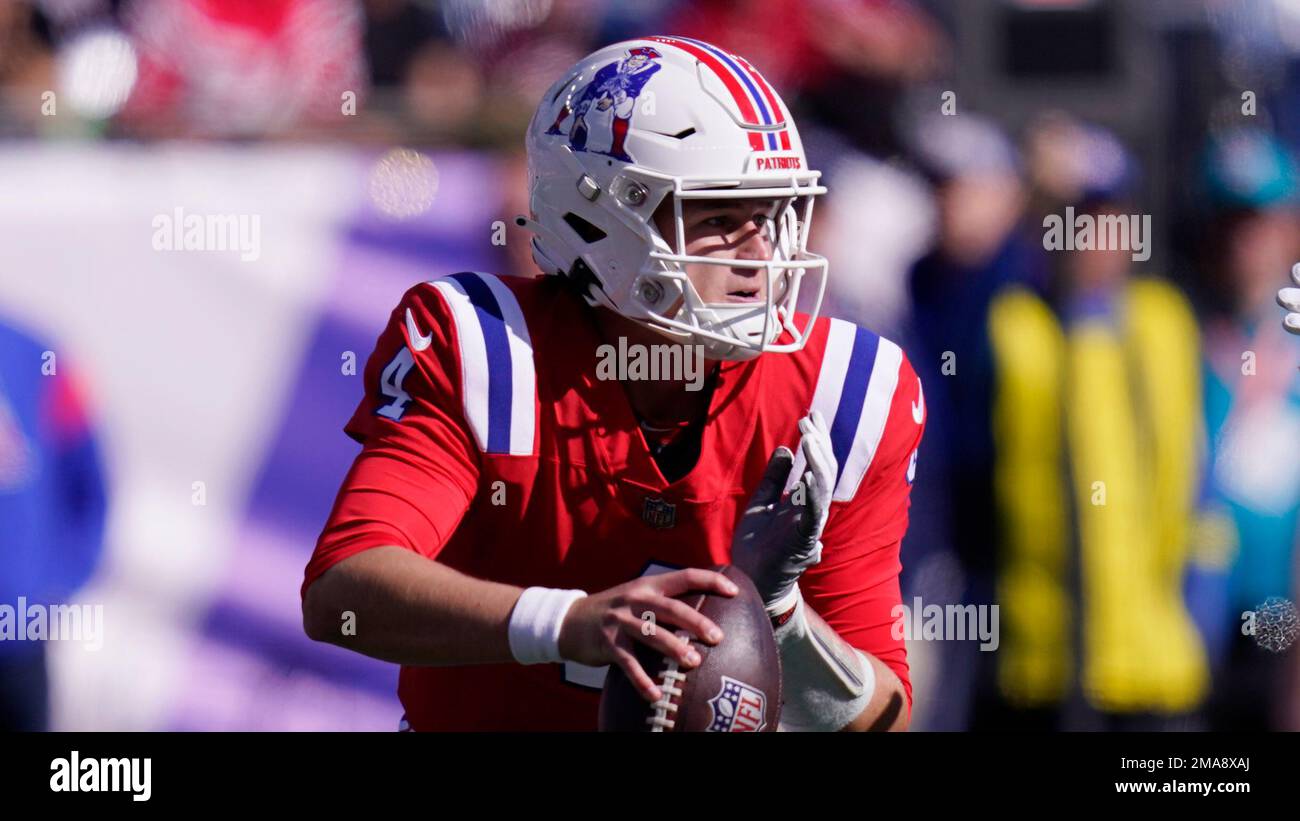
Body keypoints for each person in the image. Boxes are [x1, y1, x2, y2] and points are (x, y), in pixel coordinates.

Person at [301, 37, 925, 732]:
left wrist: (784, 620)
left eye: (771, 216)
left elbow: (884, 719)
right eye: (718, 219)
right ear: (597, 217)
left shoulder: (843, 391)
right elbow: (343, 591)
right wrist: (567, 622)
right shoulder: (487, 346)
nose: (760, 255)